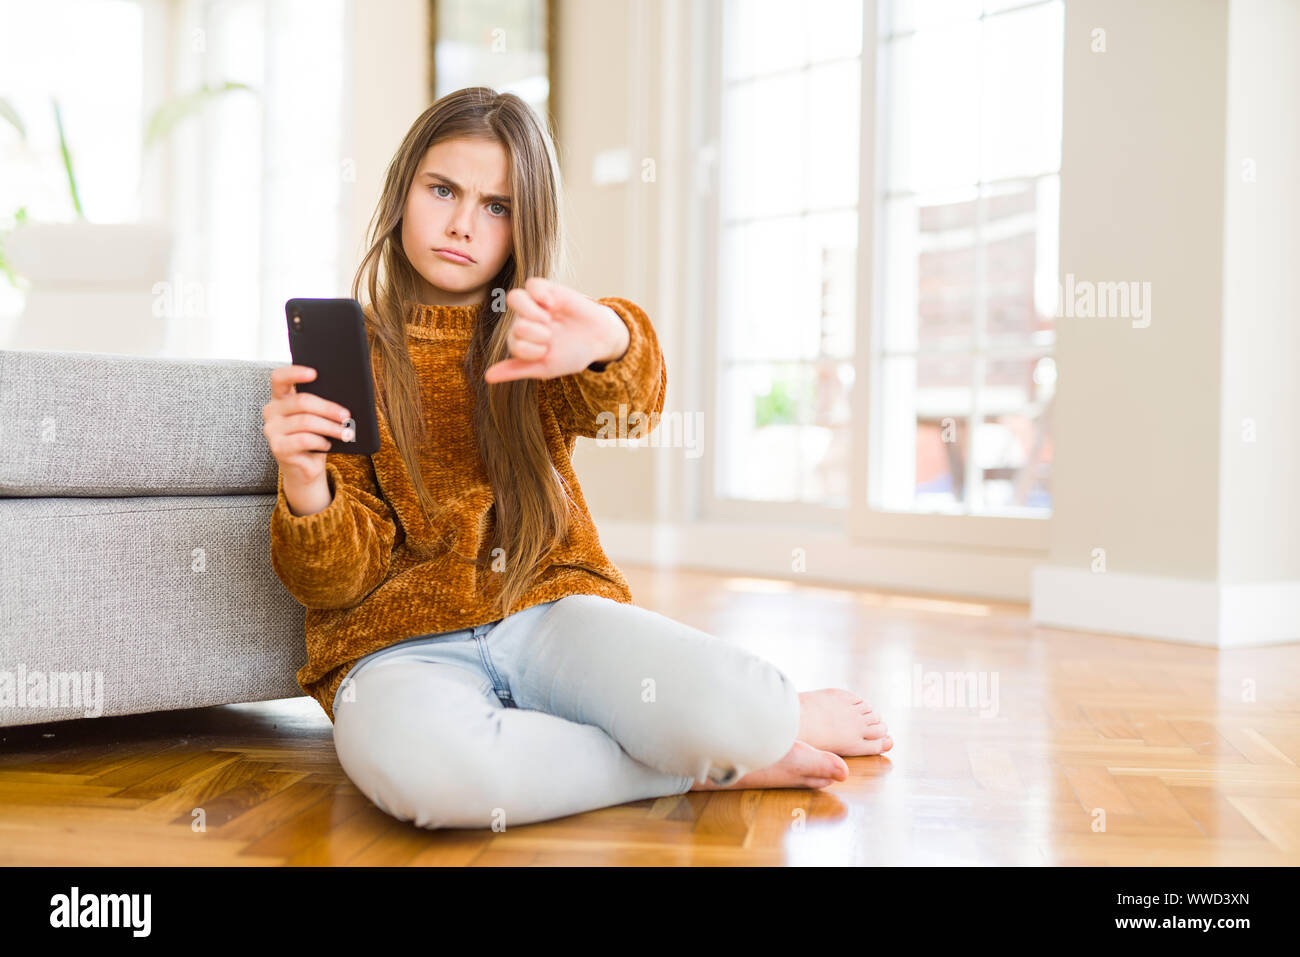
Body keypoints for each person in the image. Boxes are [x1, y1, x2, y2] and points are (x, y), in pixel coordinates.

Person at [261, 87, 892, 830]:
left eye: (497, 206)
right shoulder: (346, 359)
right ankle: (699, 765)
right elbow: (334, 583)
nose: (463, 223)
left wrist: (609, 340)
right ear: (403, 193)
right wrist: (305, 483)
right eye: (443, 190)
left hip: (550, 612)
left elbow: (635, 407)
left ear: (524, 226)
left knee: (755, 710)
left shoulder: (542, 338)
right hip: (395, 652)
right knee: (436, 781)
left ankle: (730, 740)